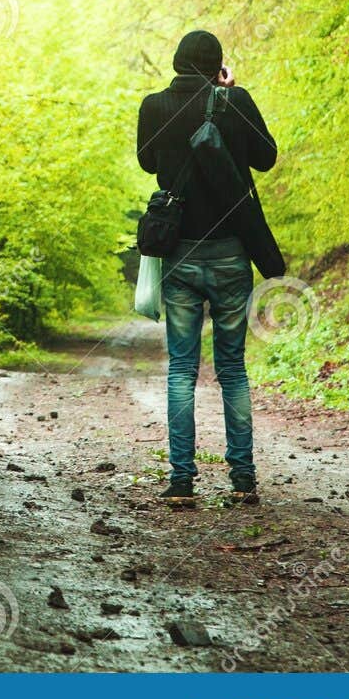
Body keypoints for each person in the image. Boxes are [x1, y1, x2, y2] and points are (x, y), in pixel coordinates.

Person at [136, 30, 277, 506]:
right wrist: (228, 95)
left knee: (181, 368)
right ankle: (242, 479)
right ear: (218, 65)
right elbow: (266, 158)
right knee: (232, 368)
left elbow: (147, 162)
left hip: (180, 253)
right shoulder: (236, 101)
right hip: (232, 252)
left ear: (177, 61)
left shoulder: (154, 106)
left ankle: (181, 481)